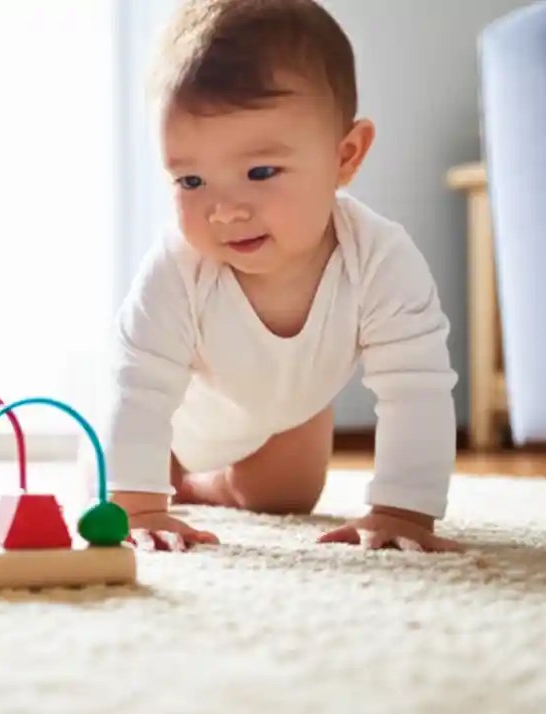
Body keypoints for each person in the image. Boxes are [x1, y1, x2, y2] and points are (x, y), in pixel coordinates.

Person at [98, 0, 461, 553]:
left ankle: (205, 487)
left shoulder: (381, 259)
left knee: (287, 496)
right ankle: (171, 479)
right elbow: (140, 385)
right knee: (112, 474)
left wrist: (402, 510)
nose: (224, 211)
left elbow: (417, 385)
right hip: (178, 420)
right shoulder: (178, 268)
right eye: (191, 181)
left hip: (289, 413)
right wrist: (138, 506)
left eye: (260, 172)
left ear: (346, 156)